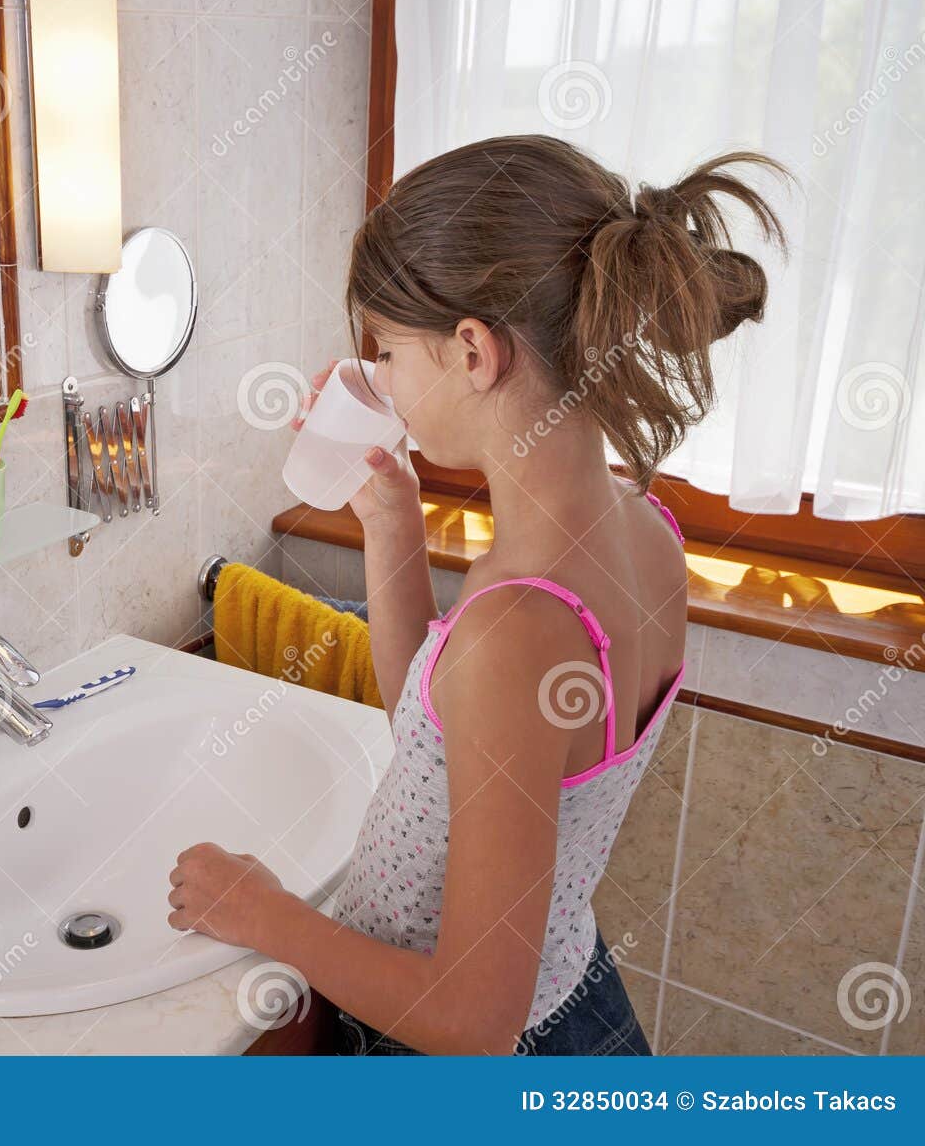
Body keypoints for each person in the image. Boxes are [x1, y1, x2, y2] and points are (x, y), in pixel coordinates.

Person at [167, 135, 787, 1055]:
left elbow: (471, 1021)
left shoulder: (518, 626)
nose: (382, 382)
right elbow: (438, 729)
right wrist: (393, 520)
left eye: (387, 352)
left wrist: (266, 912)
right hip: (576, 1000)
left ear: (472, 352)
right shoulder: (644, 535)